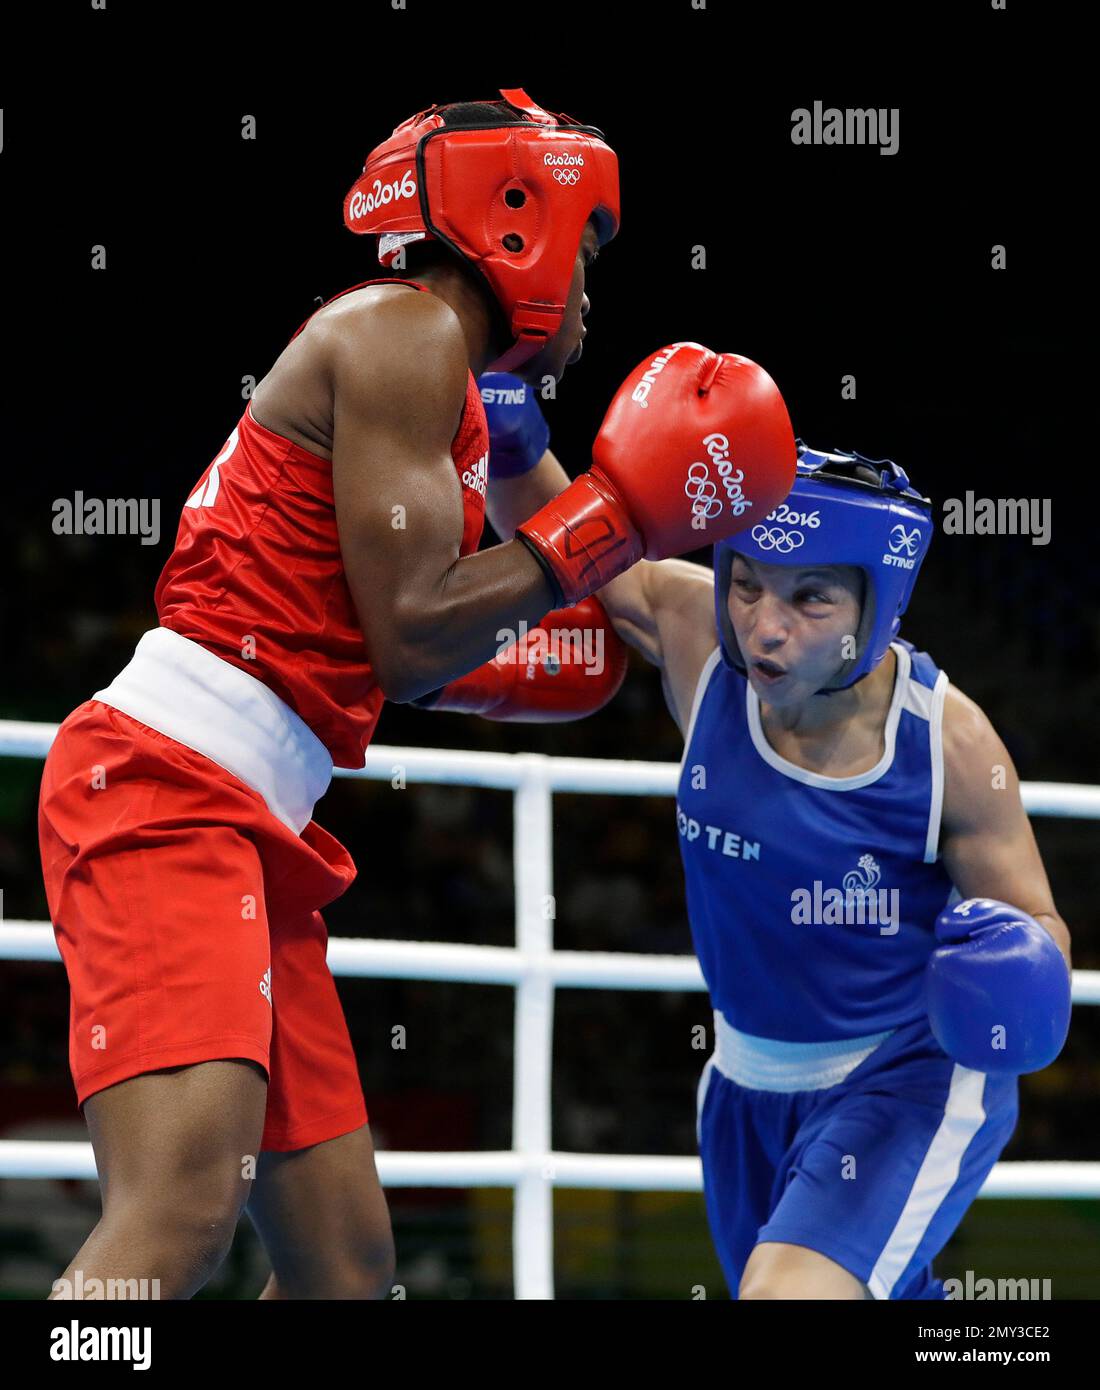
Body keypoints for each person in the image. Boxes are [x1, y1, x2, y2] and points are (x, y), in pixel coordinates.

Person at [36, 88, 795, 1300]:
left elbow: (601, 590)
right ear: (512, 218)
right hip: (166, 792)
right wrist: (608, 518)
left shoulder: (467, 396)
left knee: (343, 1272)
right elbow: (411, 635)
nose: (592, 292)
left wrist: (758, 619)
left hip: (252, 823)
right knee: (176, 1221)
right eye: (587, 252)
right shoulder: (402, 334)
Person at [593, 442, 1073, 1299]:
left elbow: (1039, 926)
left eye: (811, 596)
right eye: (747, 584)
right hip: (745, 1083)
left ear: (874, 606)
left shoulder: (947, 742)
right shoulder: (702, 641)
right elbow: (571, 545)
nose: (766, 625)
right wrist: (511, 444)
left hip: (903, 1073)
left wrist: (1022, 962)